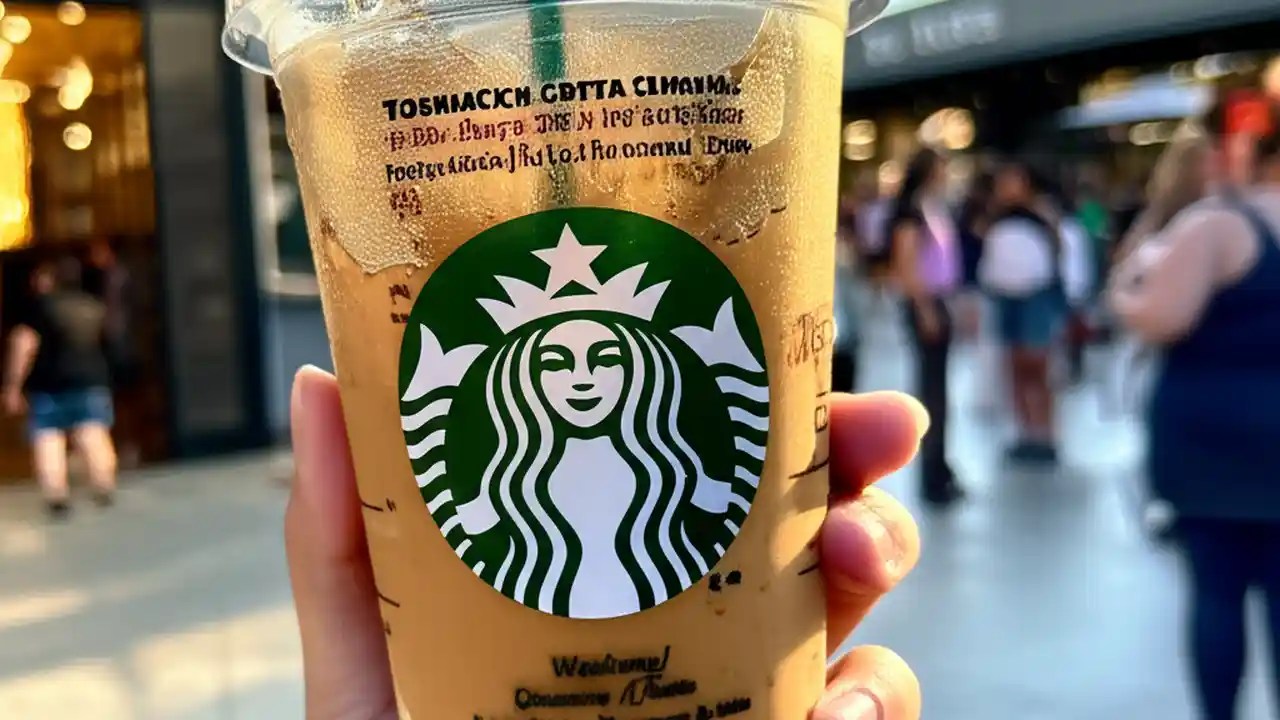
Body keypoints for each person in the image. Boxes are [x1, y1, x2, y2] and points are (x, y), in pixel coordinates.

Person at [286, 367, 926, 719]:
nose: (583, 382)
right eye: (556, 365)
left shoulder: (683, 481)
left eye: (607, 361)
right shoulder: (499, 494)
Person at [1110, 104, 1280, 720]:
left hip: (1213, 445)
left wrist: (1128, 292)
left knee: (1217, 594)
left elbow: (1160, 316)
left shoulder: (1217, 225)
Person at [3, 257, 118, 518]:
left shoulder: (39, 308)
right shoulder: (93, 306)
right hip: (91, 380)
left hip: (49, 385)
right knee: (93, 433)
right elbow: (108, 342)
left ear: (49, 281)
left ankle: (57, 496)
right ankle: (103, 485)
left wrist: (12, 386)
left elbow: (23, 344)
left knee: (48, 437)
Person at [888, 148, 965, 506]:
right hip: (926, 303)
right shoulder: (910, 211)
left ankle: (941, 465)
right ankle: (932, 473)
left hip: (939, 299)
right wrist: (923, 308)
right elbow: (906, 263)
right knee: (931, 389)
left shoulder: (932, 206)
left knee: (940, 389)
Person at [979, 160, 1068, 464]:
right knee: (1014, 366)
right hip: (1005, 297)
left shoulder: (1042, 213)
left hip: (1035, 297)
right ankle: (1025, 432)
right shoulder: (993, 215)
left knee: (1037, 365)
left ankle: (1045, 433)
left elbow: (1059, 254)